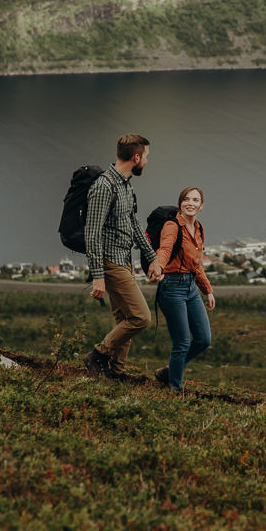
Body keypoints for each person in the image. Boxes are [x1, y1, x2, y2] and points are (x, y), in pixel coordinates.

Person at [81, 134, 158, 379]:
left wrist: (151, 257)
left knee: (124, 318)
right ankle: (98, 355)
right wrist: (98, 276)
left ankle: (116, 372)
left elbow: (134, 223)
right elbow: (91, 234)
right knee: (140, 317)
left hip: (124, 260)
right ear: (136, 157)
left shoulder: (125, 184)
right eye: (146, 156)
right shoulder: (104, 187)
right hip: (109, 263)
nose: (147, 160)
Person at [147, 185, 215, 390]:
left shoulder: (199, 229)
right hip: (171, 287)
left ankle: (170, 370)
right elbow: (165, 249)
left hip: (191, 287)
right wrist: (157, 266)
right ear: (180, 203)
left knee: (203, 339)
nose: (190, 203)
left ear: (201, 206)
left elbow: (196, 264)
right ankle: (174, 389)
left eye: (195, 200)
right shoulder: (172, 226)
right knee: (183, 342)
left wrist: (208, 290)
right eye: (186, 199)